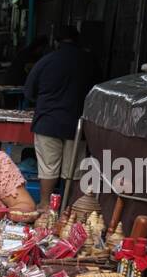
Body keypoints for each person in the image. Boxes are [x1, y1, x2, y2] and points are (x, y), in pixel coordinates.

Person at [23, 25, 96, 202]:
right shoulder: (89, 62)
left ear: (55, 41)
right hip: (77, 124)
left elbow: (29, 92)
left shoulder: (46, 61)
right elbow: (98, 93)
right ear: (77, 40)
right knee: (74, 170)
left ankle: (45, 205)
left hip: (48, 122)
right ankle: (70, 208)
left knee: (48, 167)